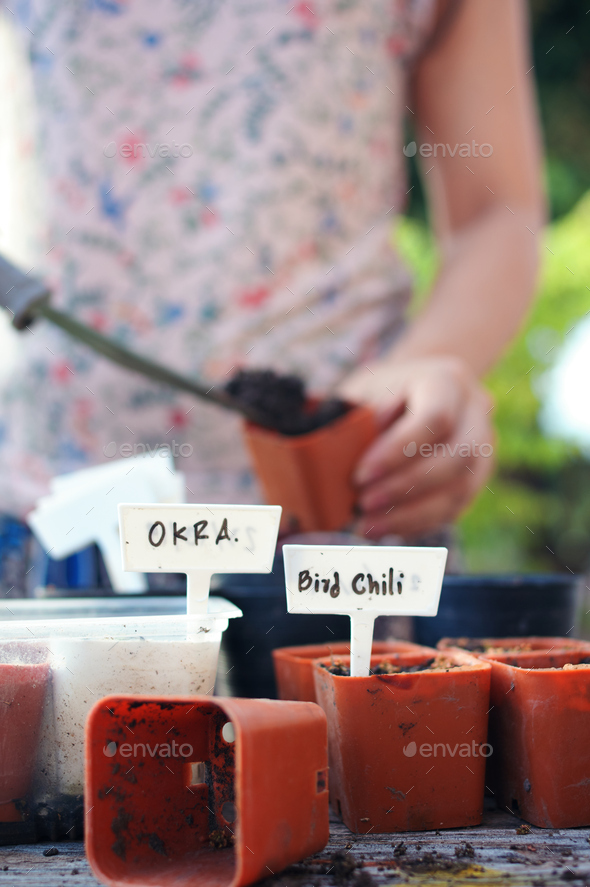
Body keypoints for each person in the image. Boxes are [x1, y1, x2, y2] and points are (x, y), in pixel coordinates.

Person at [0, 0, 543, 591]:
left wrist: (423, 369)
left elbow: (497, 213)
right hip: (60, 516)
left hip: (343, 525)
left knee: (360, 686)